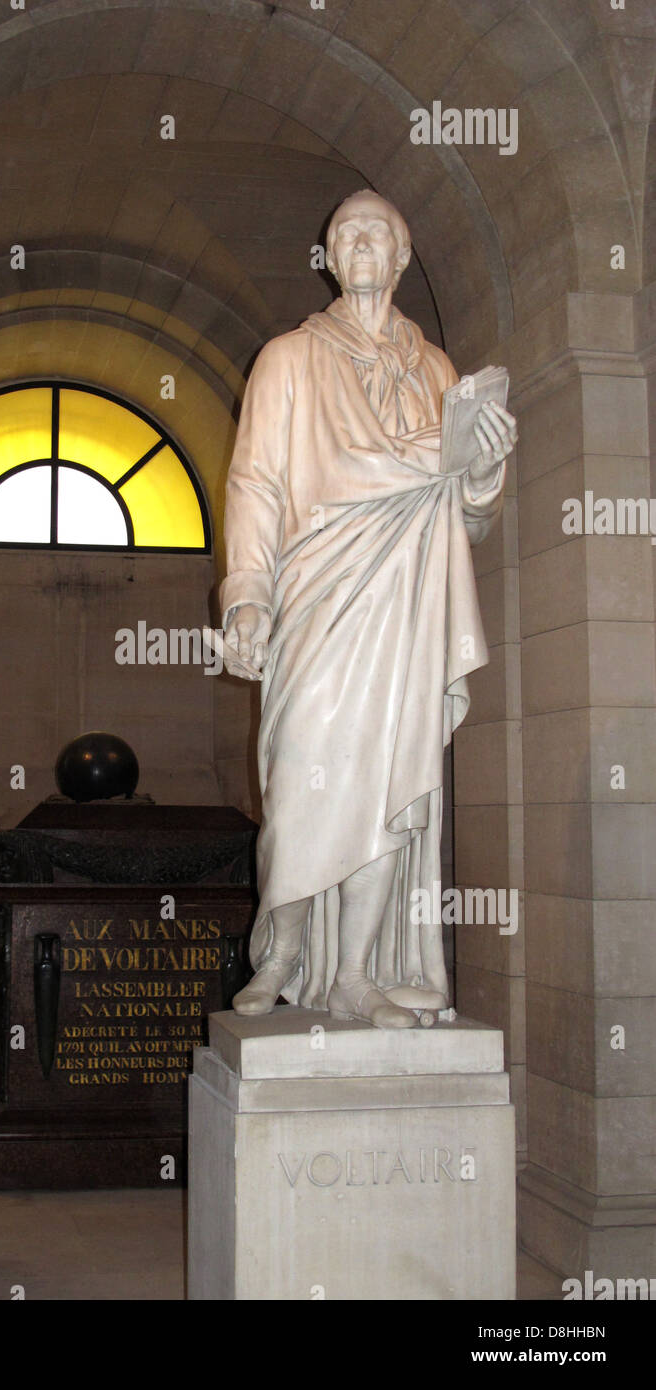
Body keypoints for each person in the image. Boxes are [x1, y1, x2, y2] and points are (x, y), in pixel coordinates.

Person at [221, 190, 516, 1028]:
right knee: (302, 775)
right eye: (344, 234)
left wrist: (485, 473)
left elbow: (468, 520)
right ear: (327, 256)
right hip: (318, 591)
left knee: (392, 778)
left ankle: (352, 971)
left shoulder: (439, 375)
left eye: (375, 234)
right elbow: (256, 484)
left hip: (406, 601)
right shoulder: (287, 358)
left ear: (400, 258)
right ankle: (281, 946)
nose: (358, 244)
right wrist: (248, 595)